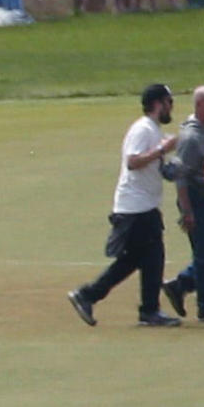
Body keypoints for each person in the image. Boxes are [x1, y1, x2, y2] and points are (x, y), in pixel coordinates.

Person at [69, 82, 183, 326]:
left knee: (137, 259)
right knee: (149, 257)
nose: (171, 108)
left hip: (142, 206)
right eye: (168, 103)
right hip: (136, 208)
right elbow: (133, 161)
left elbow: (154, 166)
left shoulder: (152, 130)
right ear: (157, 104)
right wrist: (162, 148)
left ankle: (94, 296)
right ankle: (143, 309)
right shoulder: (143, 129)